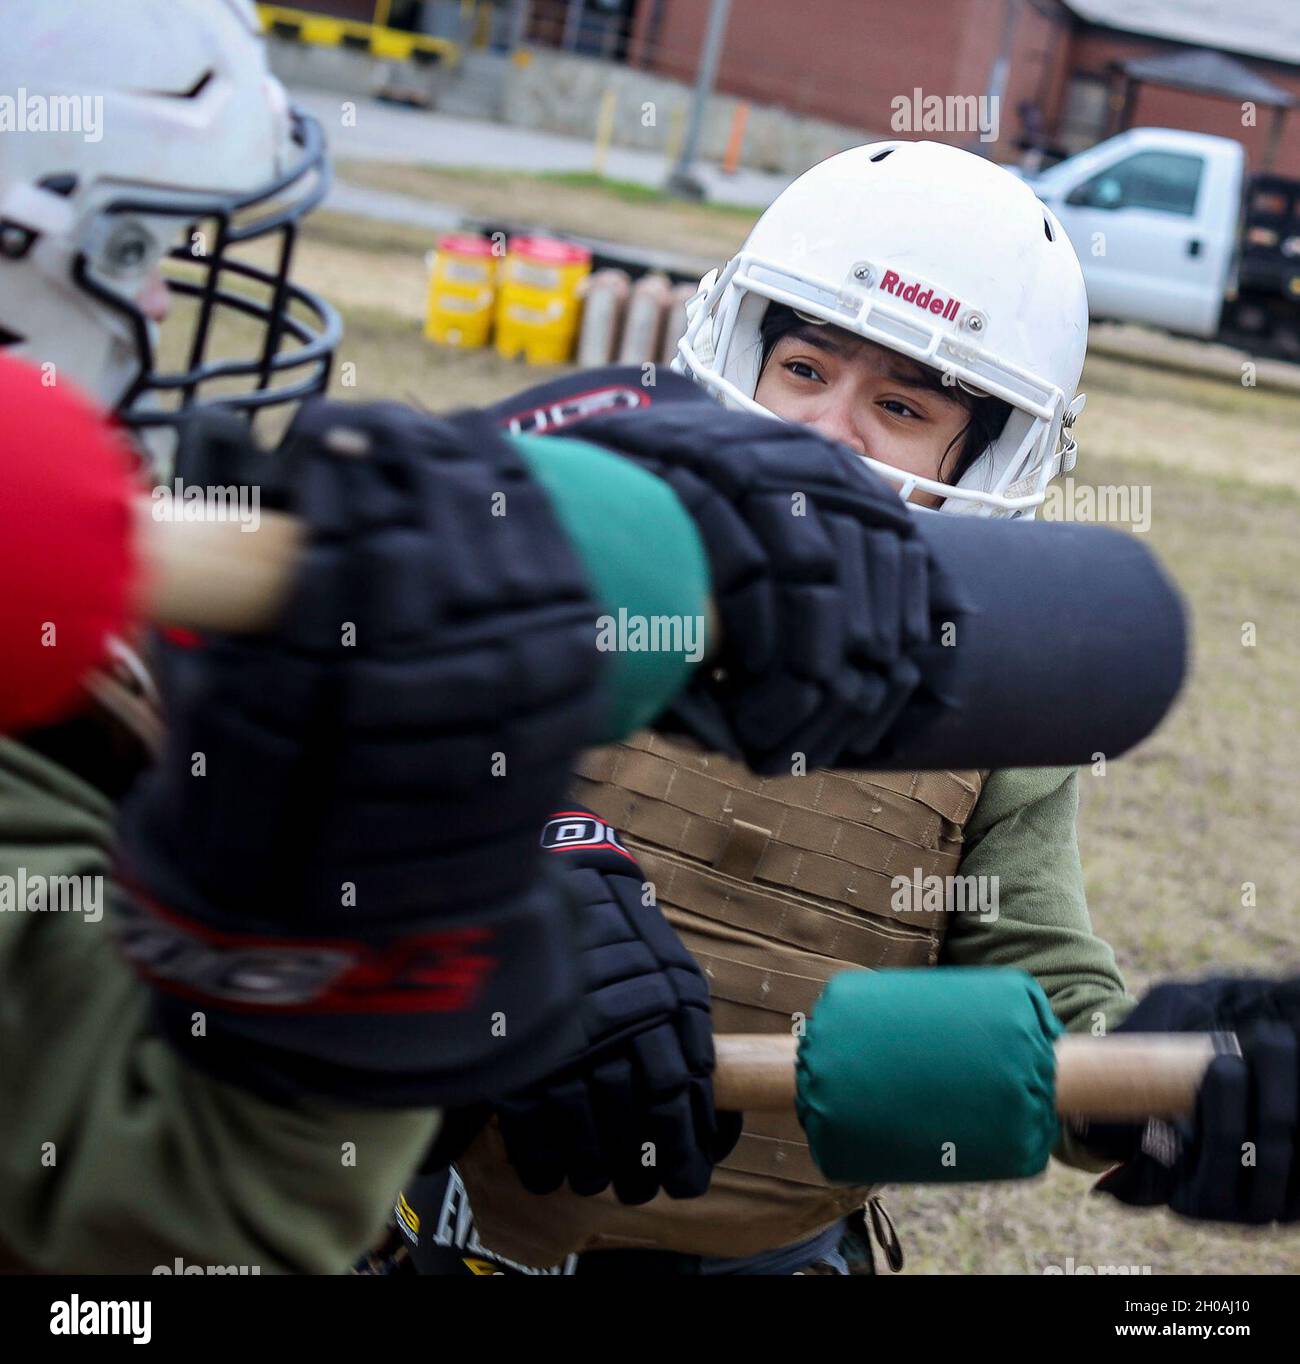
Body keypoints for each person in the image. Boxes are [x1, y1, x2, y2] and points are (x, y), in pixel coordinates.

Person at [425, 141, 1299, 1274]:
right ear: (739, 352)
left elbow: (1032, 965)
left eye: (897, 402)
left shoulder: (986, 676)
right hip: (460, 1211)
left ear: (975, 457)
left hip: (770, 1246)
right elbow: (364, 804)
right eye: (802, 368)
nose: (827, 430)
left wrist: (1166, 1085)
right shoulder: (575, 556)